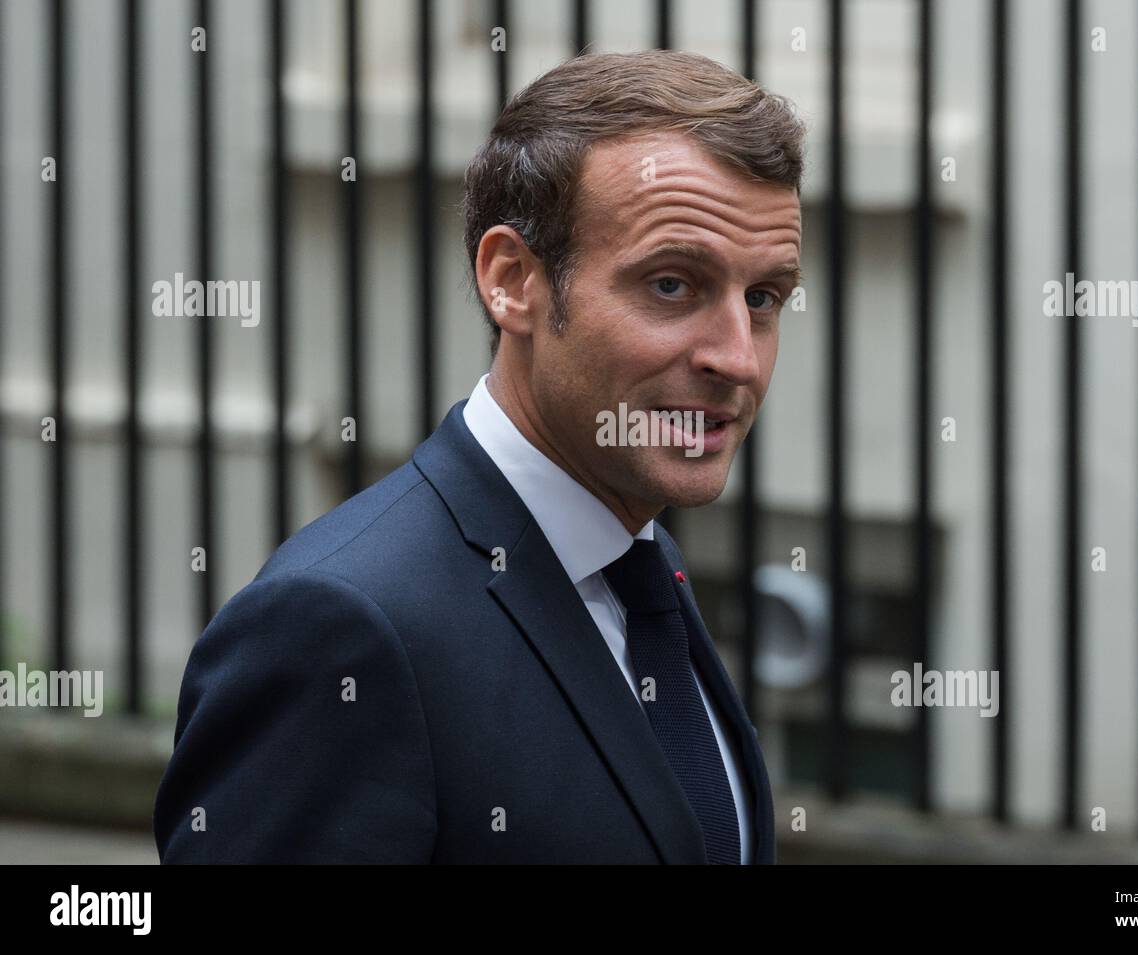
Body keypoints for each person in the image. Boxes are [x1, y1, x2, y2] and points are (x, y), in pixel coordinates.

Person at [154, 49, 805, 864]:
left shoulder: (639, 564)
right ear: (513, 280)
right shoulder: (340, 629)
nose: (737, 358)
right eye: (671, 284)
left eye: (763, 298)